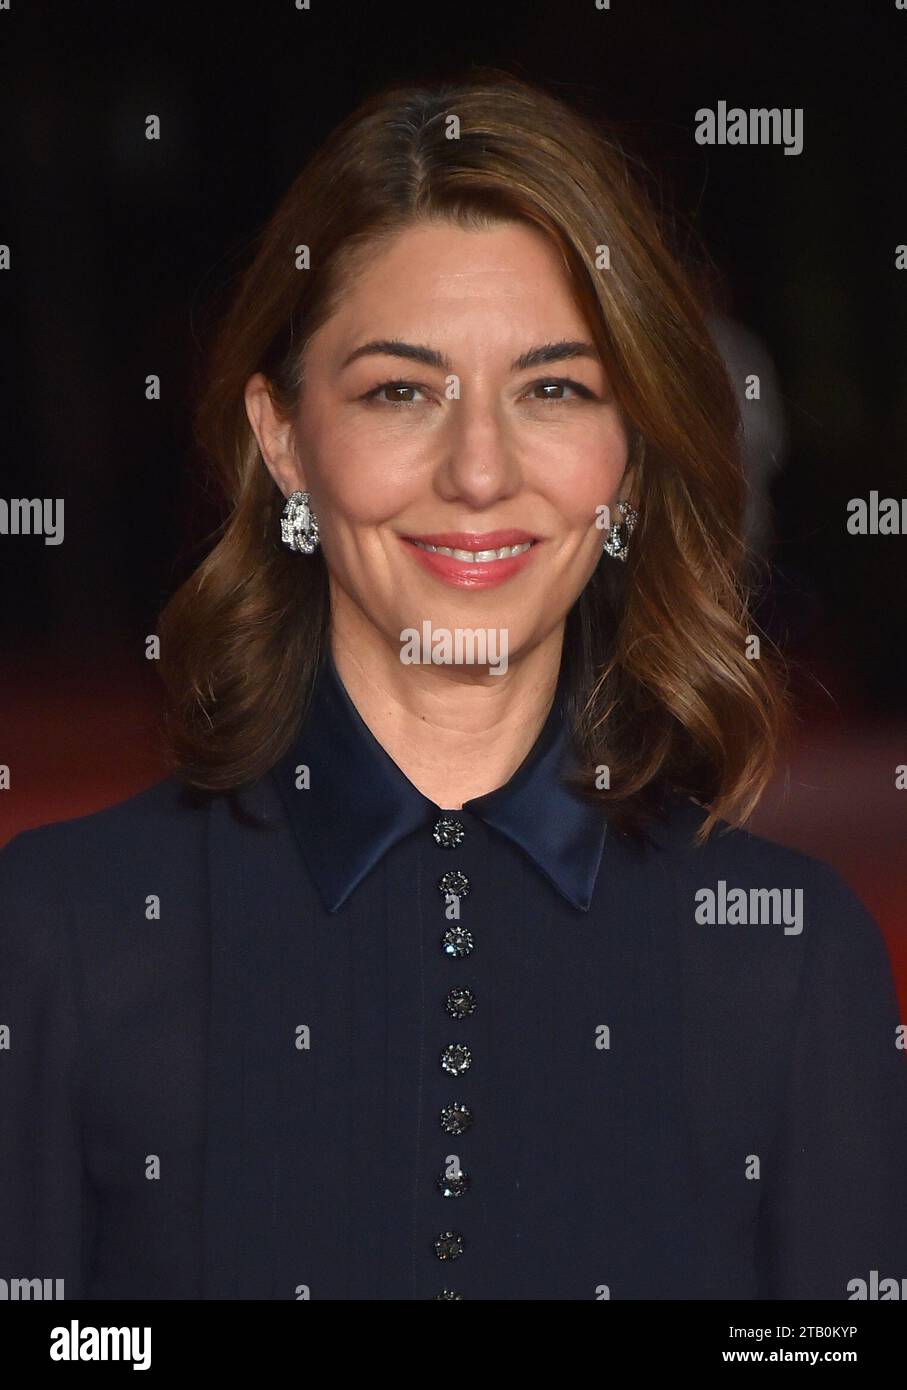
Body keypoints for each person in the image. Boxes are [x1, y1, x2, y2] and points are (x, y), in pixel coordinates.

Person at [2, 68, 905, 1302]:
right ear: (283, 443)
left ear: (628, 458)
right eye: (399, 391)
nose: (479, 471)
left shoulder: (791, 960)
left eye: (552, 389)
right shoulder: (56, 938)